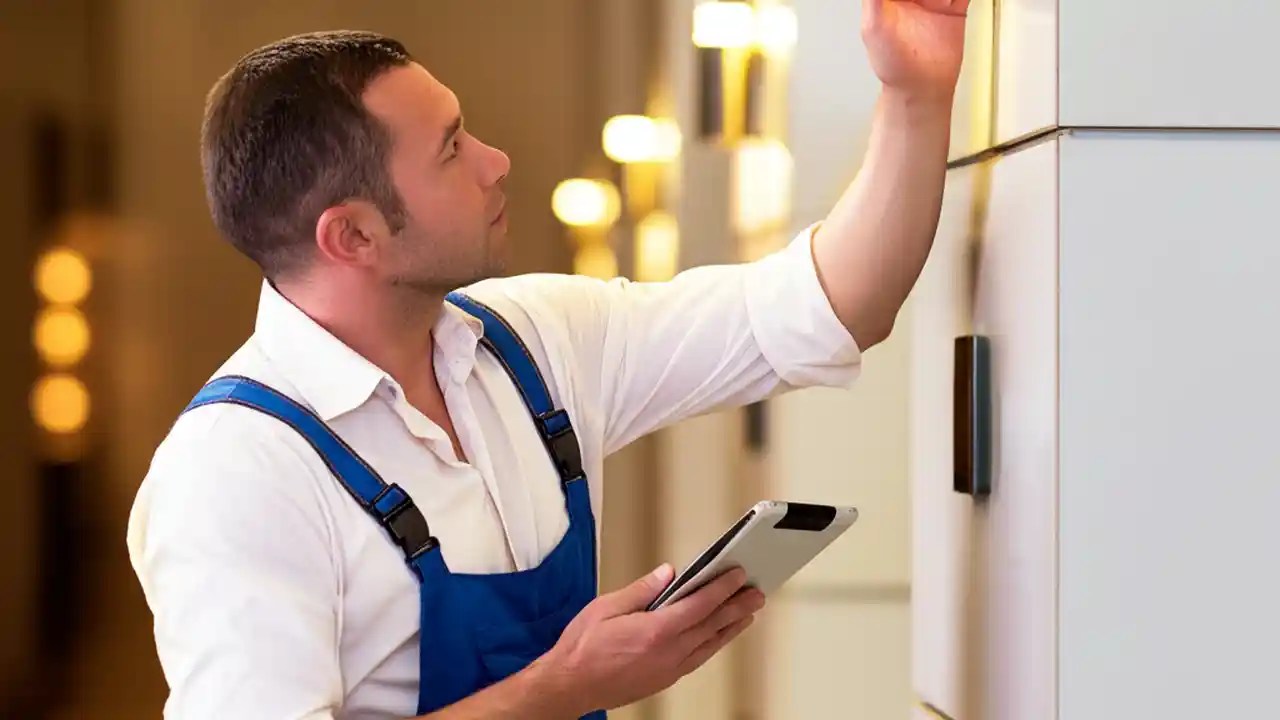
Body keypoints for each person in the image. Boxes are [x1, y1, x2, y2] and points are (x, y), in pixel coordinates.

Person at [126, 1, 970, 718]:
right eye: (452, 150)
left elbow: (834, 305)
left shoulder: (533, 338)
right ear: (352, 235)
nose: (497, 162)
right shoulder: (234, 470)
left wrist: (916, 90)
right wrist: (562, 688)